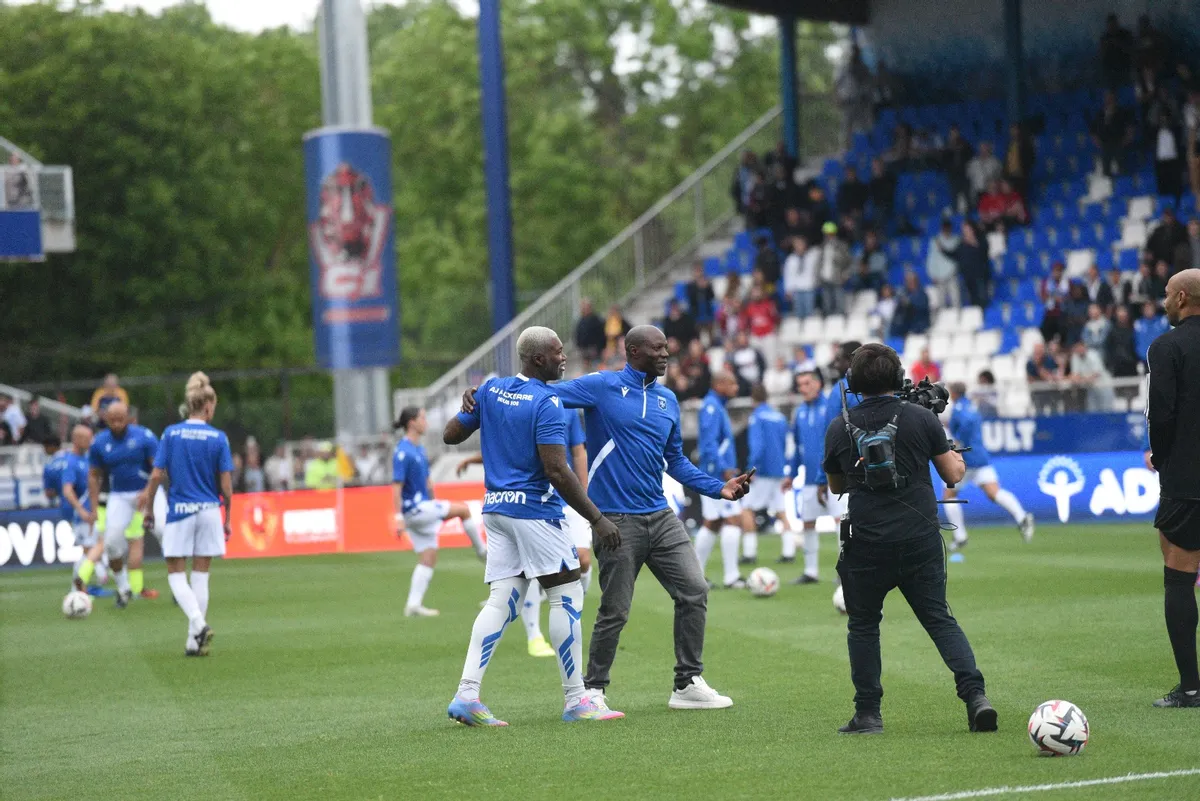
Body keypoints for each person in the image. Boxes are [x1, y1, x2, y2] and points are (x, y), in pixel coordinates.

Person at [463, 326, 752, 713]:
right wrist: (482, 397)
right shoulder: (601, 386)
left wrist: (720, 489)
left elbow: (676, 461)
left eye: (667, 347)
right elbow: (540, 392)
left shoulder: (667, 399)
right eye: (658, 348)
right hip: (615, 519)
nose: (667, 353)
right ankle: (594, 688)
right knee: (615, 611)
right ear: (633, 351)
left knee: (695, 590)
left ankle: (687, 683)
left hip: (661, 515)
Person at [441, 327, 624, 726]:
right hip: (535, 512)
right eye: (559, 353)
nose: (564, 359)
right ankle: (578, 700)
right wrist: (597, 518)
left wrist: (468, 405)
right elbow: (556, 469)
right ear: (538, 359)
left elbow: (450, 435)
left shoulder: (490, 390)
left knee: (501, 601)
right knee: (566, 594)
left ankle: (467, 695)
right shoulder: (546, 402)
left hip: (496, 510)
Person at [823, 344, 996, 734]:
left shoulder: (838, 425)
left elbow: (835, 485)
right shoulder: (920, 417)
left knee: (864, 626)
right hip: (919, 539)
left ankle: (868, 714)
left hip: (865, 543)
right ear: (897, 377)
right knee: (939, 618)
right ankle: (975, 697)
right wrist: (945, 443)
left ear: (853, 382)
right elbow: (953, 475)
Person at [140, 373, 232, 656]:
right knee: (201, 576)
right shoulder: (218, 437)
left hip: (179, 511)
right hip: (208, 511)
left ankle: (198, 624)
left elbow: (156, 475)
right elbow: (226, 486)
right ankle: (193, 642)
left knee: (176, 574)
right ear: (207, 406)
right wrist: (227, 518)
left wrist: (149, 509)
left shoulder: (171, 433)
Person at [1144, 269, 1200, 707]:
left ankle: (1191, 686)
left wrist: (1160, 458)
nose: (1163, 301)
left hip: (1188, 479)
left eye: (1166, 295)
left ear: (1182, 298)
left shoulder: (1167, 347)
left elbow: (1161, 416)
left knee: (1179, 578)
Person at [393, 406, 486, 618]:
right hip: (414, 509)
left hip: (424, 508)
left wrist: (435, 504)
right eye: (423, 418)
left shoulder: (418, 449)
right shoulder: (403, 451)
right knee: (463, 510)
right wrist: (398, 517)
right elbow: (396, 487)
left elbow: (426, 481)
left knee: (428, 556)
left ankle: (413, 605)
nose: (426, 422)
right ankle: (482, 551)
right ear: (412, 423)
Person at [79, 403, 159, 607]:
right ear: (105, 418)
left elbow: (159, 468)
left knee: (165, 532)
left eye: (120, 419)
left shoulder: (144, 436)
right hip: (119, 496)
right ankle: (124, 589)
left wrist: (148, 491)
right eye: (112, 419)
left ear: (128, 418)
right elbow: (93, 475)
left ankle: (180, 584)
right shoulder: (100, 443)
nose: (116, 423)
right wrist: (94, 507)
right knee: (111, 543)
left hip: (148, 492)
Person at [942, 383, 1035, 550]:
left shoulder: (959, 409)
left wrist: (956, 444)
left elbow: (964, 427)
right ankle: (1022, 517)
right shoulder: (971, 405)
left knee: (949, 496)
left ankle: (960, 536)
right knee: (994, 492)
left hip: (964, 459)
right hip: (980, 456)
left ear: (954, 393)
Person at [694, 371, 750, 588]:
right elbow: (708, 445)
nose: (736, 387)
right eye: (733, 383)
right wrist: (724, 469)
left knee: (713, 522)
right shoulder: (711, 407)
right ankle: (731, 576)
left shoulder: (716, 406)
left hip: (715, 473)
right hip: (715, 476)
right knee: (733, 519)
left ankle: (697, 575)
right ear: (719, 384)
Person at [788, 370, 837, 583]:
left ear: (817, 384)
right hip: (808, 479)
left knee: (841, 522)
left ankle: (845, 571)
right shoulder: (799, 412)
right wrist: (790, 474)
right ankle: (810, 571)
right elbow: (797, 448)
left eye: (807, 383)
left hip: (834, 477)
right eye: (800, 384)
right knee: (808, 523)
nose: (803, 388)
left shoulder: (830, 408)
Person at [58, 426, 108, 594]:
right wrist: (81, 510)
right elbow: (67, 490)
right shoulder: (71, 462)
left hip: (93, 512)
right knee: (90, 551)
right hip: (84, 516)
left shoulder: (87, 459)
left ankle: (83, 589)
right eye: (87, 438)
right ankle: (77, 590)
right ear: (77, 440)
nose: (91, 441)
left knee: (94, 550)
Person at [744, 385, 790, 566]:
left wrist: (751, 469)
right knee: (781, 510)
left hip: (762, 471)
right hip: (778, 470)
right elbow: (787, 443)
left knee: (747, 508)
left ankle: (749, 552)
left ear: (752, 399)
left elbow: (758, 446)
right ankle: (788, 551)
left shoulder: (756, 418)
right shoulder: (779, 417)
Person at [926, 219, 961, 309]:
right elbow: (931, 258)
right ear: (942, 229)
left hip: (952, 274)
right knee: (941, 302)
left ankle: (957, 319)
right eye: (944, 229)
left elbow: (956, 257)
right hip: (939, 275)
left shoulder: (956, 240)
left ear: (951, 229)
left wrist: (955, 270)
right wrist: (932, 274)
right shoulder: (935, 241)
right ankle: (943, 319)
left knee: (956, 299)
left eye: (948, 229)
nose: (946, 231)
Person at [782, 234, 819, 318]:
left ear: (805, 245)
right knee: (798, 313)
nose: (799, 246)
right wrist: (788, 290)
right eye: (797, 244)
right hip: (797, 289)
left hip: (809, 288)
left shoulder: (811, 256)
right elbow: (788, 275)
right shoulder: (790, 259)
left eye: (801, 244)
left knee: (810, 313)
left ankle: (810, 330)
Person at [684, 263, 717, 337]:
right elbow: (690, 299)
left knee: (711, 335)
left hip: (708, 315)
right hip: (696, 316)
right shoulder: (690, 285)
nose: (699, 273)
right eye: (697, 271)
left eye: (700, 271)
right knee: (697, 336)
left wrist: (706, 287)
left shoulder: (708, 284)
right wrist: (698, 287)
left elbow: (712, 297)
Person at [574, 299, 606, 371]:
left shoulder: (596, 320)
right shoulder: (581, 321)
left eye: (585, 307)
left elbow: (602, 335)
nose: (583, 309)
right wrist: (579, 346)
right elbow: (578, 334)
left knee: (597, 369)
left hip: (595, 350)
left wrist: (601, 348)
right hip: (584, 350)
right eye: (582, 307)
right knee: (586, 370)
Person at [1135, 300, 1170, 365]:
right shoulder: (1138, 324)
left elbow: (1169, 339)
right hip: (1144, 360)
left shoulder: (1163, 321)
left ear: (1154, 308)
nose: (1148, 310)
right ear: (1142, 310)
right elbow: (1136, 342)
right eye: (1146, 308)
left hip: (1161, 358)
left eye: (1150, 308)